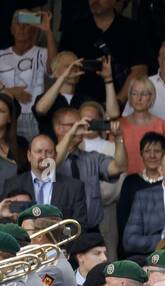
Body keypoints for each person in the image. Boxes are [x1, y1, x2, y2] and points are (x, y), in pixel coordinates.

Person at [54, 111, 127, 235]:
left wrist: (119, 137)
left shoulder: (92, 158)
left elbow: (119, 167)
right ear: (58, 128)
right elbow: (51, 165)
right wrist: (71, 134)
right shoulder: (49, 155)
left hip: (90, 230)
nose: (79, 128)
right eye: (73, 124)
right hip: (59, 232)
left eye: (81, 125)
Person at [3, 134, 88, 226]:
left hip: (61, 239)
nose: (43, 156)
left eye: (49, 152)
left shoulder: (74, 187)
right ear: (29, 156)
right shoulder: (12, 184)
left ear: (55, 156)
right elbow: (6, 222)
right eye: (39, 151)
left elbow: (80, 225)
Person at [0, 7, 54, 140]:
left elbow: (54, 69)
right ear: (12, 29)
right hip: (5, 116)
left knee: (33, 157)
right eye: (18, 24)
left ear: (34, 28)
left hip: (33, 117)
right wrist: (9, 92)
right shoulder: (1, 55)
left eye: (27, 24)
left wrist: (47, 31)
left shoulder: (42, 53)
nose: (22, 28)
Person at [115, 131, 165, 256]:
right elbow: (122, 218)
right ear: (141, 154)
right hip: (135, 250)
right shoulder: (130, 181)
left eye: (157, 151)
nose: (152, 155)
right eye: (147, 151)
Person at [118, 78, 165, 175]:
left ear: (151, 97)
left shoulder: (162, 125)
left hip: (156, 180)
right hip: (124, 180)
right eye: (134, 93)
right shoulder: (119, 125)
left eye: (144, 94)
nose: (139, 98)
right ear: (129, 96)